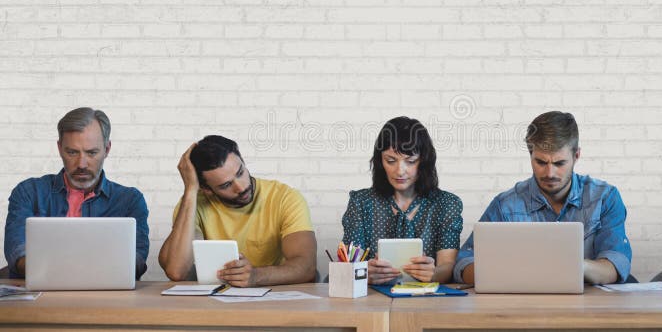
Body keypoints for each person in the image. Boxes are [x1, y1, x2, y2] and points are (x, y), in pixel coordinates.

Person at [454, 111, 632, 285]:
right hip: (523, 307)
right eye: (541, 162)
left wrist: (572, 266)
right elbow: (464, 264)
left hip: (588, 308)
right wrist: (514, 272)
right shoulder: (505, 205)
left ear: (576, 156)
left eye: (559, 163)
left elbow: (615, 266)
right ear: (530, 155)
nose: (550, 173)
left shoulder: (604, 198)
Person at [4, 107, 149, 279]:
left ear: (107, 149)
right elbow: (17, 253)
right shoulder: (28, 193)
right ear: (59, 148)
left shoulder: (130, 201)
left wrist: (57, 267)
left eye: (91, 152)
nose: (82, 164)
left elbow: (137, 261)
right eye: (72, 152)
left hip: (105, 298)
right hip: (41, 298)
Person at [159, 135, 316, 286]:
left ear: (243, 161)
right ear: (206, 189)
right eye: (226, 185)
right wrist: (190, 190)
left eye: (240, 172)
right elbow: (176, 271)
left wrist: (256, 276)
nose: (241, 187)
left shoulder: (285, 197)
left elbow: (307, 267)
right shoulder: (192, 204)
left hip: (275, 297)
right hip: (216, 302)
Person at [342, 116, 463, 284]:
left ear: (424, 162)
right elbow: (348, 264)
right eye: (390, 161)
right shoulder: (361, 202)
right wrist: (363, 272)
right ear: (380, 162)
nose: (400, 171)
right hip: (371, 299)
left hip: (427, 301)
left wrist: (434, 274)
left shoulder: (447, 204)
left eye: (411, 161)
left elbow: (448, 266)